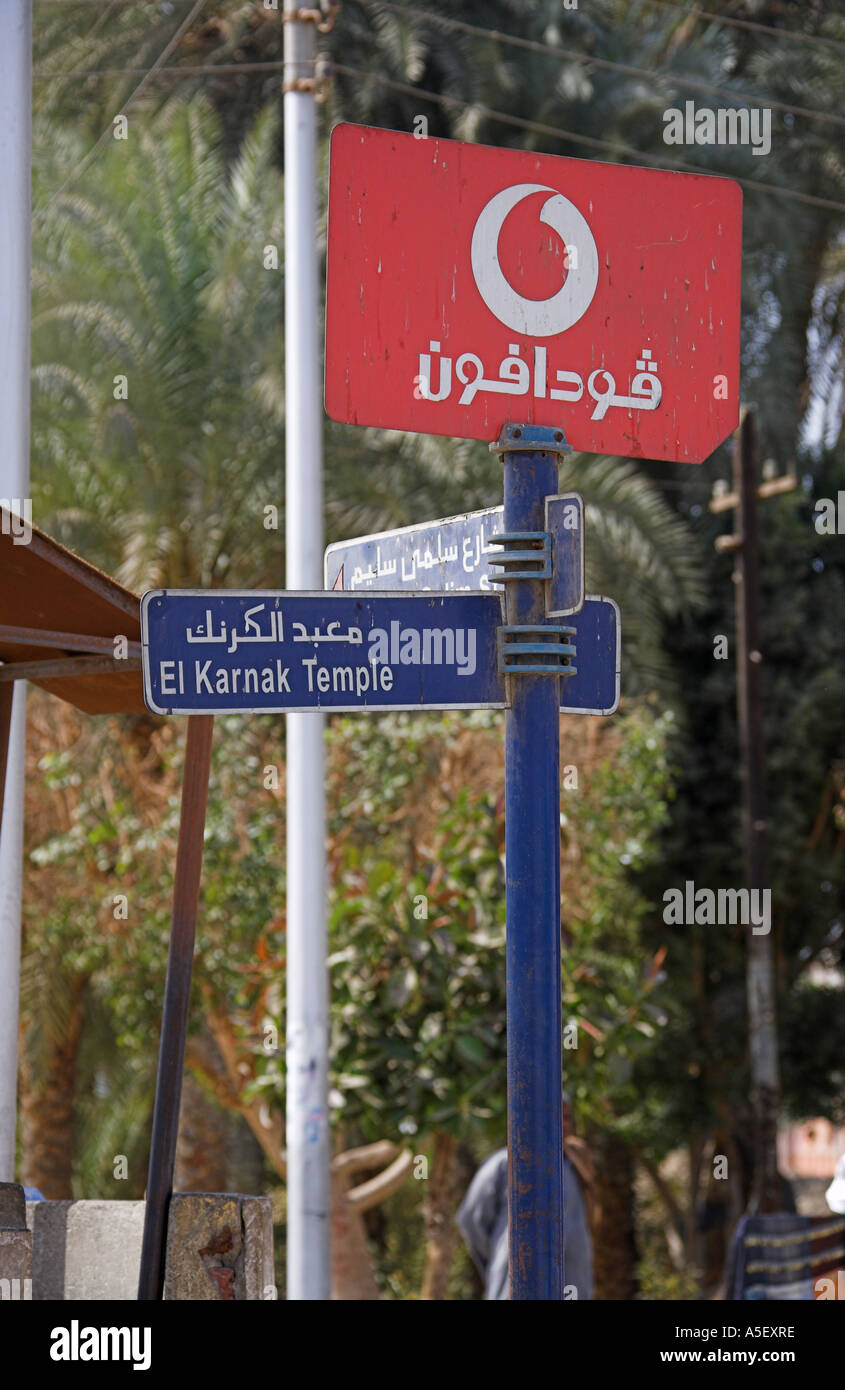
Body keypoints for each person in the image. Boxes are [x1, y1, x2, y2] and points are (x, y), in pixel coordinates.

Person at [457, 1096, 595, 1299]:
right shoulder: (504, 1164)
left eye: (568, 1117)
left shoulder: (576, 1168)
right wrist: (503, 1257)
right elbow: (471, 1221)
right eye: (558, 1117)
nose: (564, 1124)